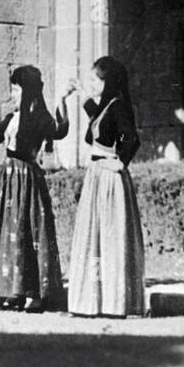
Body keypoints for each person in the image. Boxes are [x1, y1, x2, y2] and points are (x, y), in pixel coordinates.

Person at [0, 65, 68, 312]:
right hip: (8, 180)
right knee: (8, 231)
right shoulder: (13, 117)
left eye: (17, 90)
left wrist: (63, 101)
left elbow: (59, 131)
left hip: (27, 179)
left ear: (28, 91)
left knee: (26, 233)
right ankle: (9, 291)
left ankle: (33, 293)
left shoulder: (39, 117)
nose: (13, 95)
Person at [64, 55, 145, 318]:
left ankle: (113, 303)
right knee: (95, 235)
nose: (92, 83)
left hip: (109, 179)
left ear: (106, 81)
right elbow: (99, 120)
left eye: (94, 79)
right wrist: (80, 92)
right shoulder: (107, 106)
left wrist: (119, 163)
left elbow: (131, 138)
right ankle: (93, 301)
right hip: (97, 176)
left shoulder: (118, 106)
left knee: (109, 235)